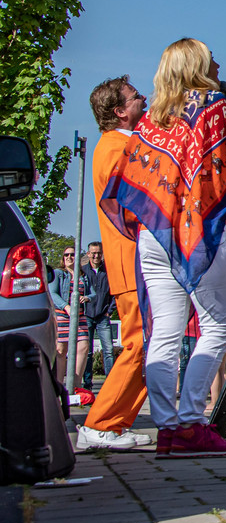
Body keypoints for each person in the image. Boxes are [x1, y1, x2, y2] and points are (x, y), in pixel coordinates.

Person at [100, 38, 226, 459]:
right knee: (219, 325)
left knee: (165, 332)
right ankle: (191, 421)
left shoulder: (152, 118)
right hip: (198, 231)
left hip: (155, 233)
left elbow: (136, 176)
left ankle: (167, 429)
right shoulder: (213, 106)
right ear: (199, 66)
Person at [79, 77, 152, 451]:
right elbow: (130, 205)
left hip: (136, 260)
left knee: (147, 344)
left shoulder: (122, 145)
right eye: (135, 96)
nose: (144, 98)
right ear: (119, 111)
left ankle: (114, 422)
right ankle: (101, 422)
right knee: (139, 344)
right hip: (132, 261)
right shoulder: (114, 148)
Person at [49, 247, 91, 391]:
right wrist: (65, 306)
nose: (69, 257)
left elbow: (93, 293)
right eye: (66, 255)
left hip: (80, 316)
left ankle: (76, 385)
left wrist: (87, 298)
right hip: (62, 316)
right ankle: (60, 387)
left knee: (84, 346)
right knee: (61, 350)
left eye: (72, 255)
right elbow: (52, 293)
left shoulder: (83, 276)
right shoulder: (58, 274)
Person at [81, 241, 114, 391]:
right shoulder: (82, 271)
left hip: (102, 315)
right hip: (86, 315)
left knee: (108, 350)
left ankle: (110, 385)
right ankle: (87, 384)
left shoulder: (109, 271)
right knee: (87, 352)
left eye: (98, 253)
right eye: (93, 253)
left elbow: (114, 291)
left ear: (102, 254)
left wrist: (110, 310)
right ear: (88, 254)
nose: (96, 255)